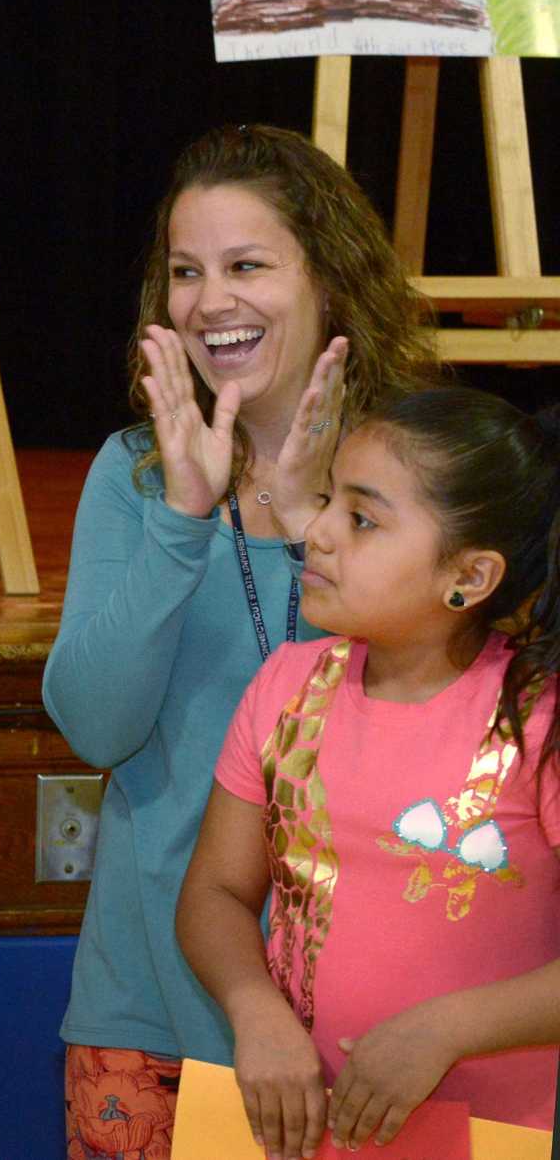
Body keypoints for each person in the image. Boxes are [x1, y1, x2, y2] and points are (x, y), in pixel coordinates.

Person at [43, 124, 438, 1159]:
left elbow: (412, 721)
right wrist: (182, 516)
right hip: (149, 1021)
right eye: (185, 271)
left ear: (327, 282)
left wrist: (318, 516)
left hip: (375, 1032)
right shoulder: (131, 475)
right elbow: (93, 725)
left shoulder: (416, 474)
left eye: (246, 265)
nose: (210, 299)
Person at [178, 387, 560, 1156]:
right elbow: (215, 891)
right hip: (287, 1129)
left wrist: (449, 1030)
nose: (315, 532)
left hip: (483, 1136)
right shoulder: (285, 685)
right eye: (326, 501)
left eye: (361, 517)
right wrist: (254, 1008)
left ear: (470, 575)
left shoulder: (538, 718)